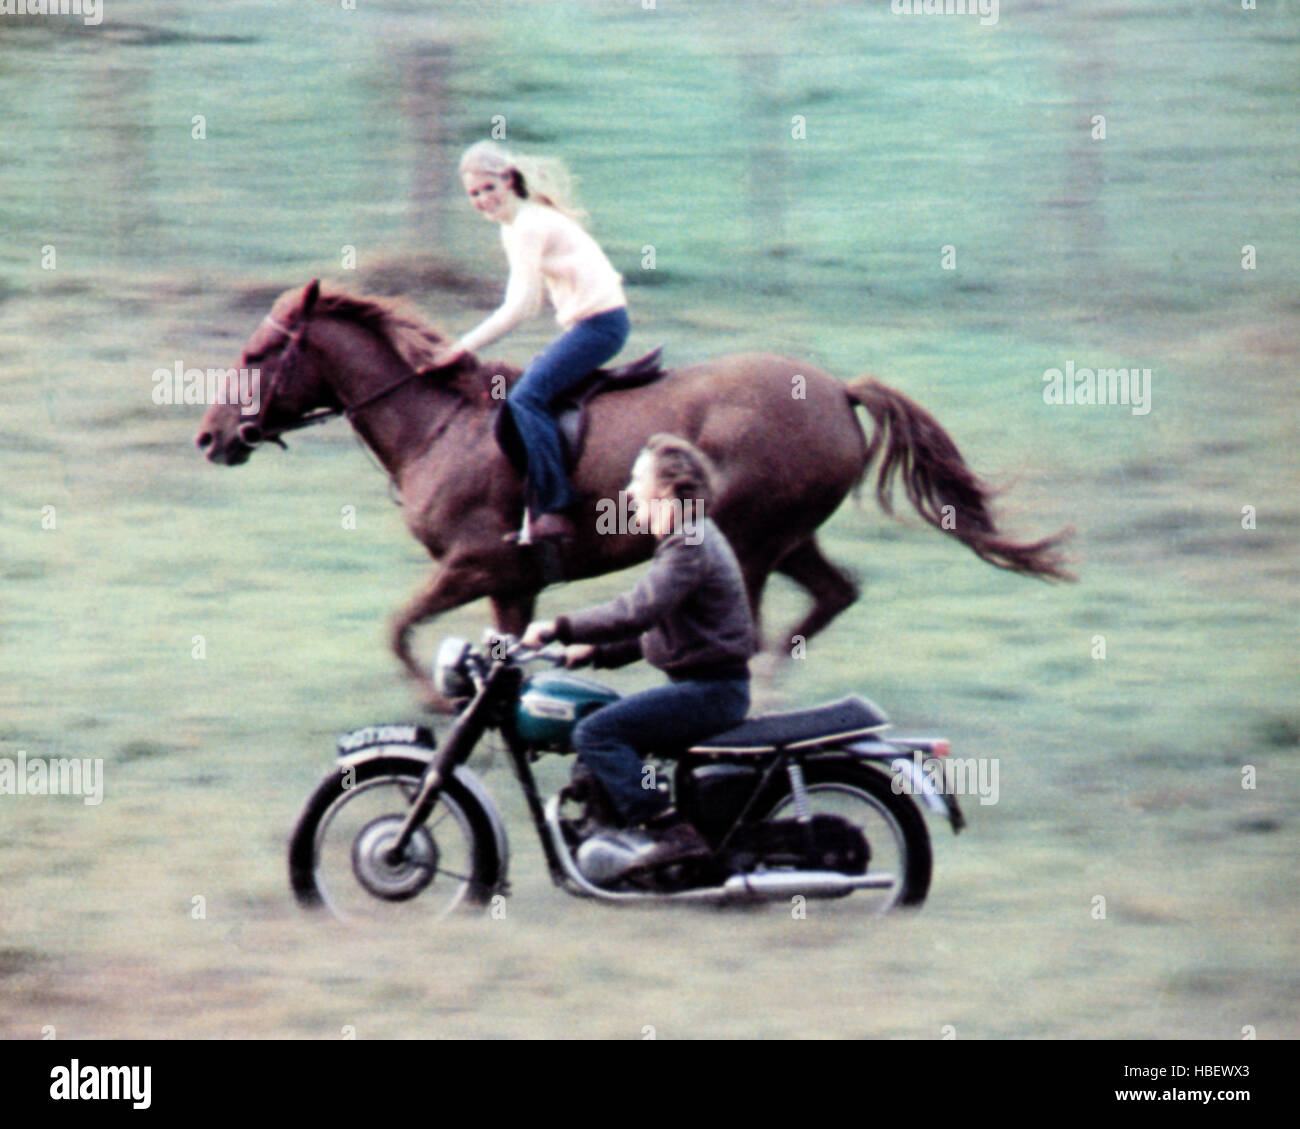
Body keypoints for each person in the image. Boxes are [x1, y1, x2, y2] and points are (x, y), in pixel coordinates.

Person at [521, 434, 757, 873]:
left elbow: (639, 610)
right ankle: (617, 837)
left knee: (596, 733)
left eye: (636, 480)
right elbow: (659, 626)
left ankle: (670, 832)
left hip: (711, 693)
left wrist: (558, 626)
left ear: (666, 491)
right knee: (601, 725)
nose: (628, 493)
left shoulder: (689, 542)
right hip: (708, 687)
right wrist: (592, 652)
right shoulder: (691, 537)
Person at [430, 140, 630, 542]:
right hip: (589, 326)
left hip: (600, 327)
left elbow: (522, 306)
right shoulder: (520, 223)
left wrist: (462, 347)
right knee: (531, 391)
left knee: (525, 399)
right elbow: (530, 302)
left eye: (489, 188)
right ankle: (531, 513)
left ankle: (556, 509)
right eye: (474, 195)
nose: (484, 200)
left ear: (508, 179)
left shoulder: (527, 225)